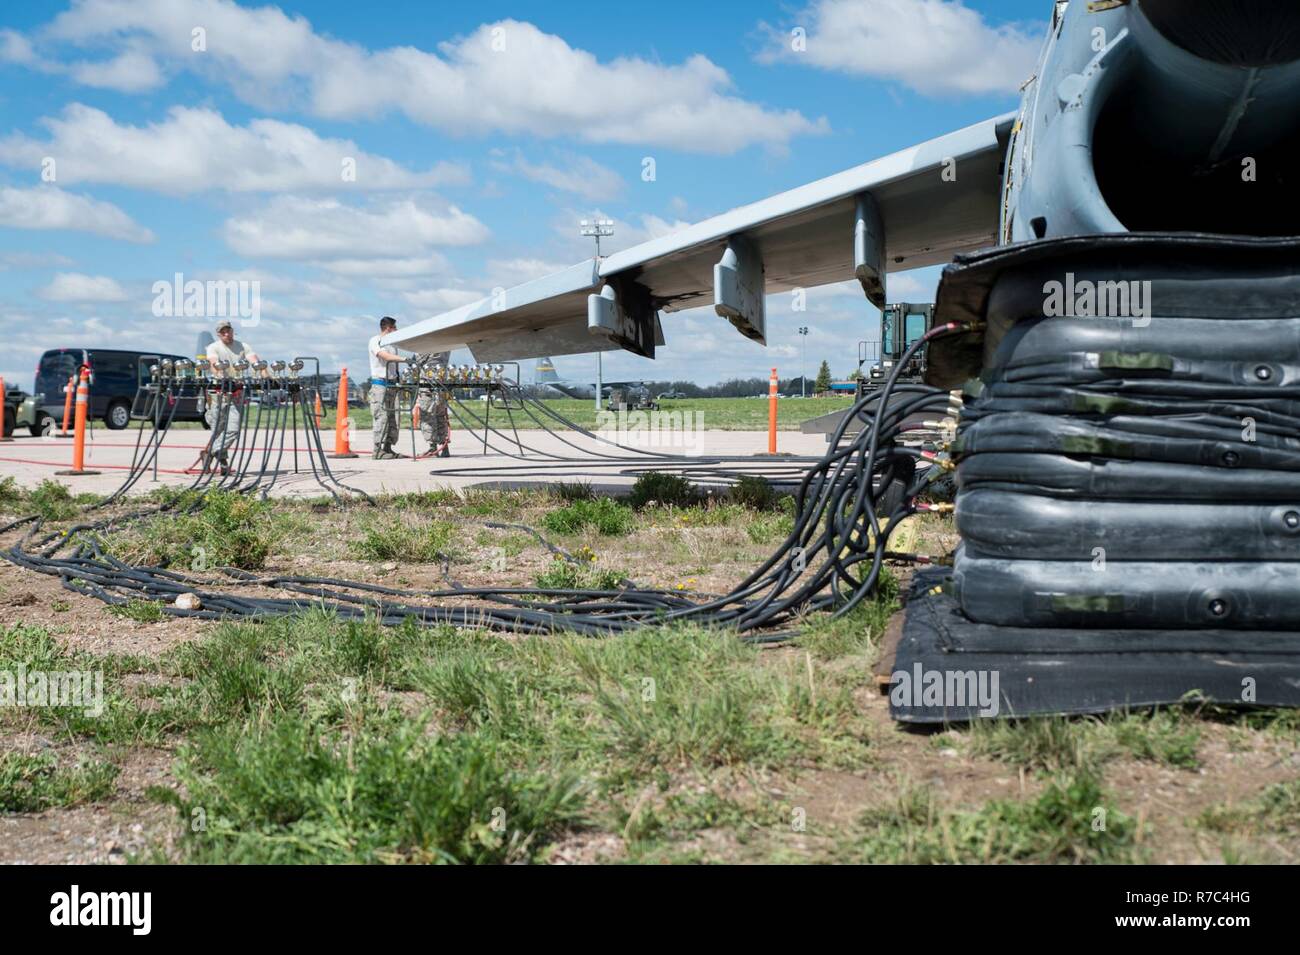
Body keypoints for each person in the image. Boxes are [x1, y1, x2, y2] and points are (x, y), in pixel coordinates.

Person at [203, 320, 259, 474]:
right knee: (218, 430)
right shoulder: (213, 347)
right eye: (223, 332)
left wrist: (263, 373)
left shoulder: (243, 346)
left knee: (233, 429)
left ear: (233, 331)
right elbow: (214, 363)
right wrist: (220, 375)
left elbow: (254, 360)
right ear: (219, 334)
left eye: (228, 331)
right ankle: (224, 465)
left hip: (237, 392)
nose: (226, 334)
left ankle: (210, 451)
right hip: (219, 393)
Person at [368, 316, 406, 460]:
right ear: (389, 328)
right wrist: (404, 359)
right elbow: (384, 356)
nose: (396, 330)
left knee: (393, 418)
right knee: (382, 417)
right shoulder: (375, 341)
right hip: (380, 385)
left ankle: (388, 448)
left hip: (392, 385)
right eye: (395, 328)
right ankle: (377, 450)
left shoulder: (393, 344)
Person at [416, 351, 451, 458]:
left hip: (428, 379)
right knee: (440, 414)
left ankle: (433, 447)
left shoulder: (427, 341)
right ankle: (444, 446)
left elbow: (419, 359)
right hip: (441, 378)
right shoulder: (446, 341)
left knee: (428, 414)